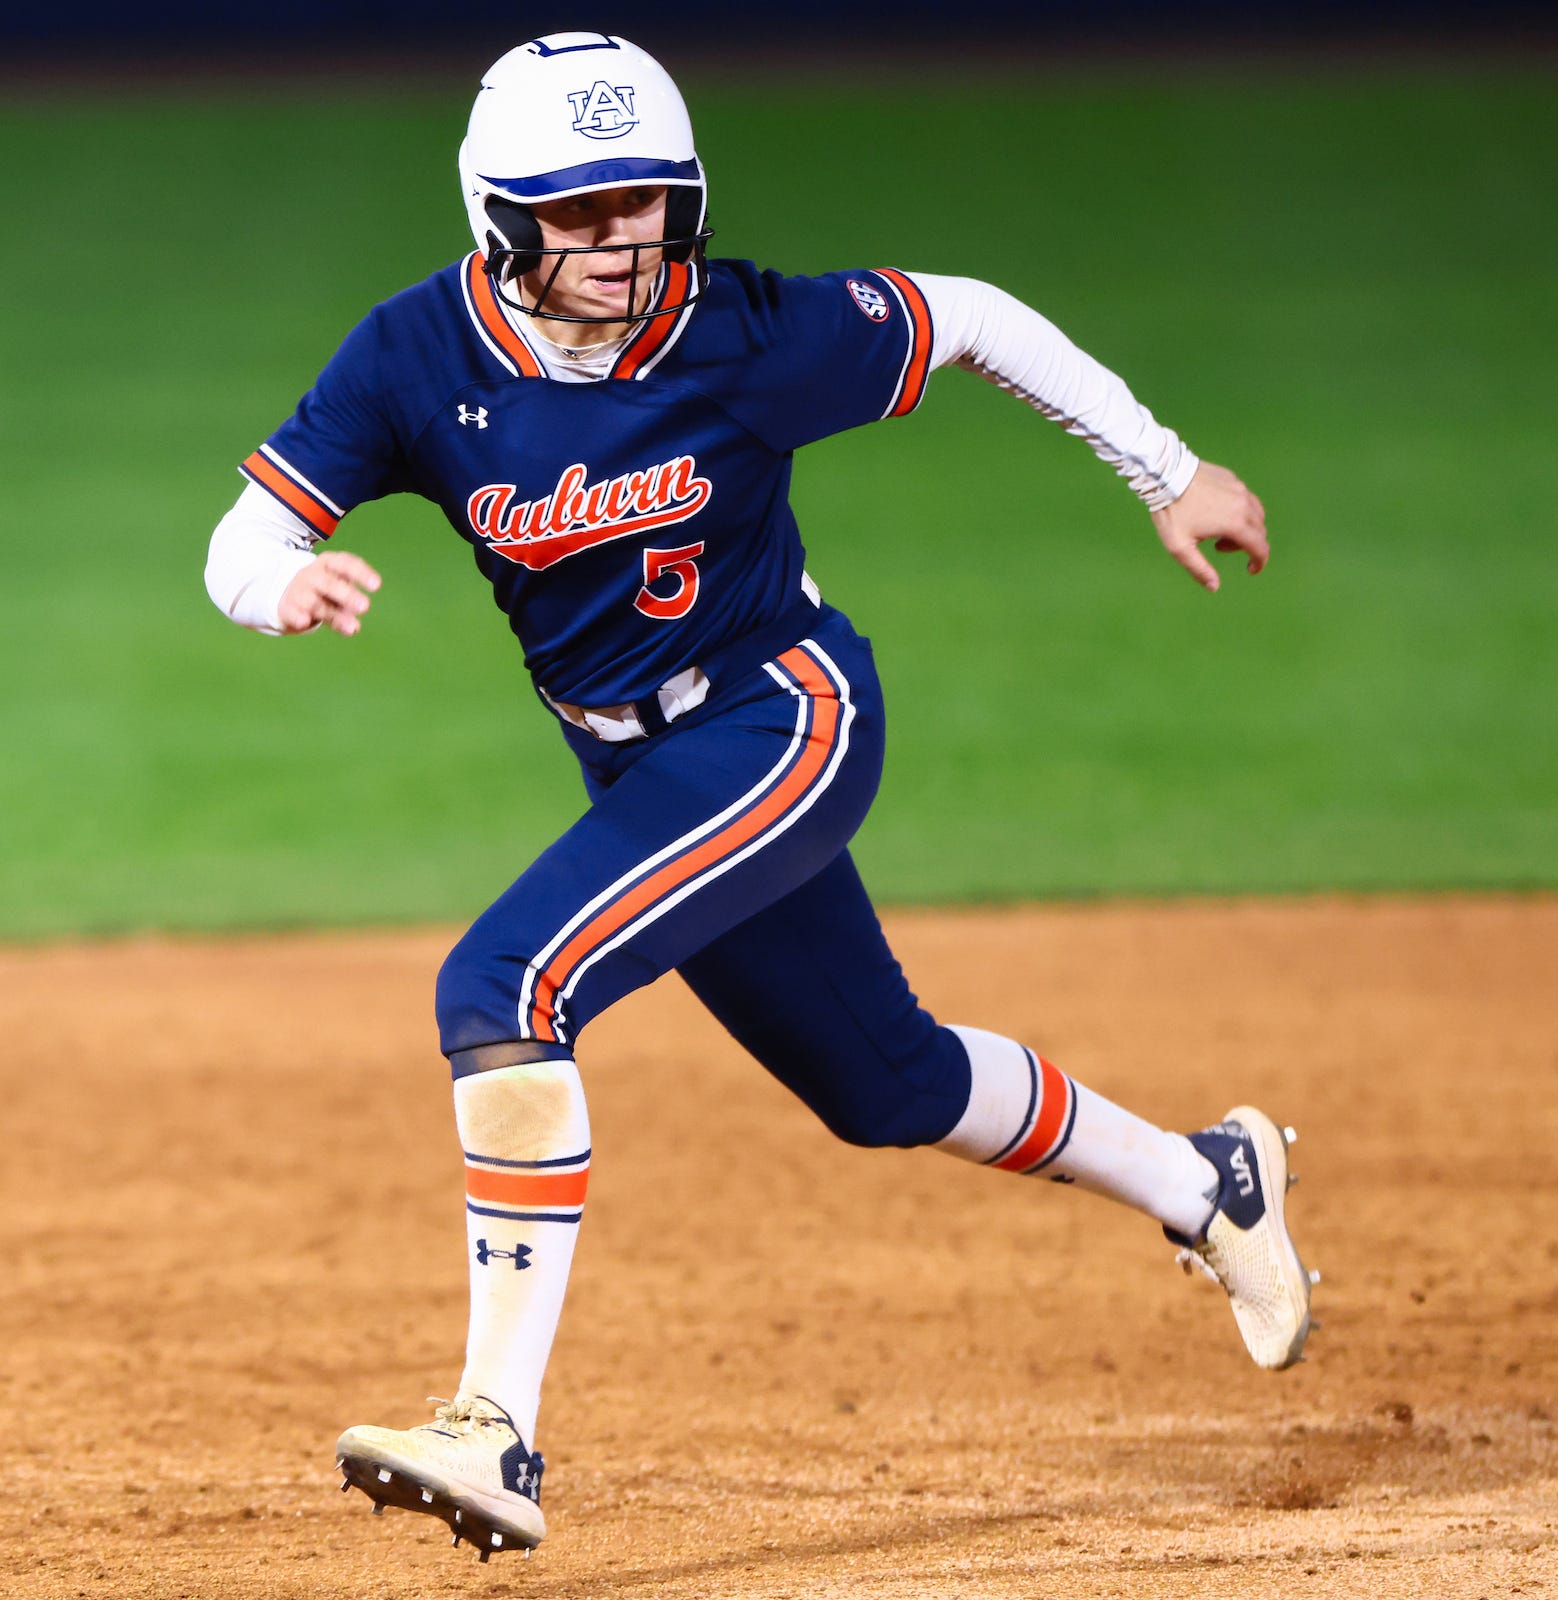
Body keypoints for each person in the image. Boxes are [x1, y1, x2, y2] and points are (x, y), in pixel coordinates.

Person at [203, 33, 1312, 1564]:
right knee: (888, 1087)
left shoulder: (745, 334)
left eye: (643, 203)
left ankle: (492, 1430)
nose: (617, 240)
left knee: (505, 984)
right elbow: (240, 536)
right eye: (574, 212)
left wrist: (1164, 468)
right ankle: (1206, 1181)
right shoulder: (414, 358)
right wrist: (278, 587)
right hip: (637, 758)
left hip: (782, 718)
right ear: (498, 216)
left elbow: (974, 318)